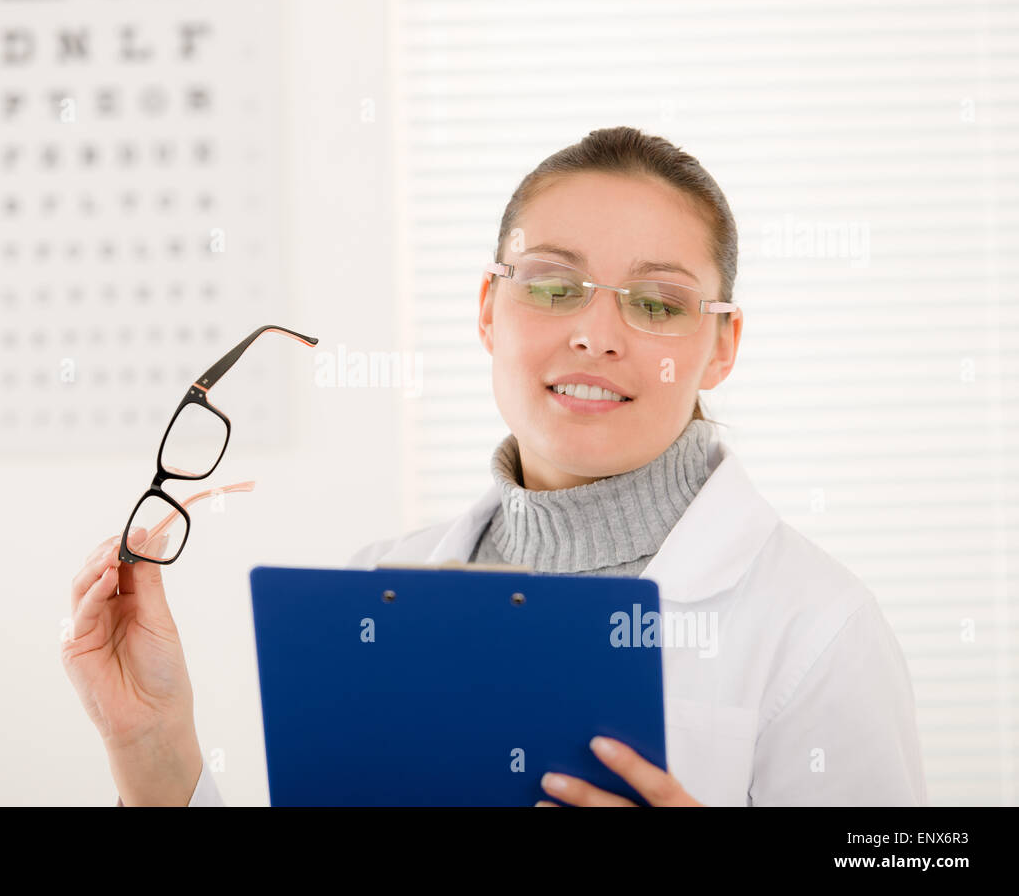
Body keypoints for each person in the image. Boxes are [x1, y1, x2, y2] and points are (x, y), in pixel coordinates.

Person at [62, 126, 928, 807]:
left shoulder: (817, 627)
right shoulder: (378, 585)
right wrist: (154, 750)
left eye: (658, 302)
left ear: (720, 345)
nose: (595, 332)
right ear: (488, 309)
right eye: (553, 285)